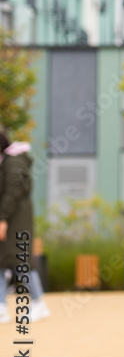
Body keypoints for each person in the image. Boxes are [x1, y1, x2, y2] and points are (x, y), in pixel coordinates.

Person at [0, 131, 49, 323]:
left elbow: (13, 191)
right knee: (2, 264)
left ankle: (38, 303)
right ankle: (2, 307)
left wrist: (2, 218)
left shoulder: (13, 163)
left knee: (22, 263)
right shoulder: (6, 162)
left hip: (15, 222)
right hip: (8, 221)